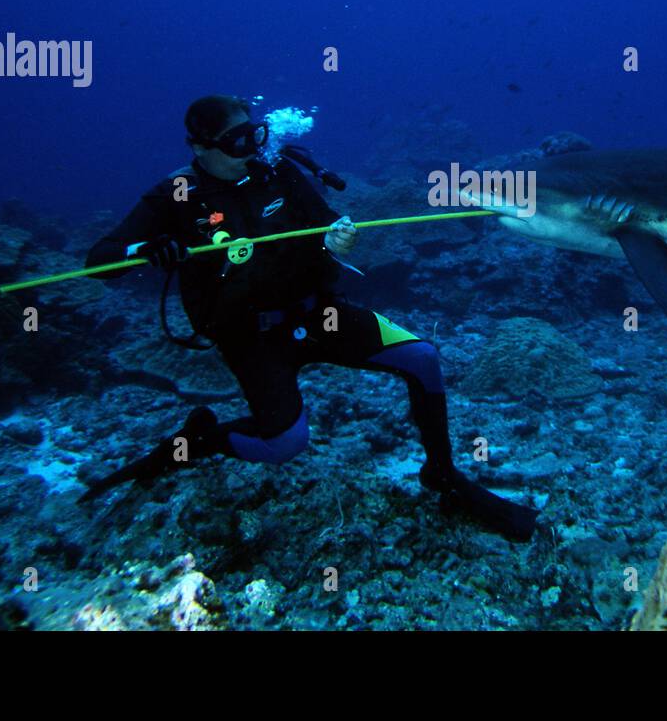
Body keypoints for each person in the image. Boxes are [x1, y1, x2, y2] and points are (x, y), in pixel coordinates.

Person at [78, 95, 538, 542]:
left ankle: (442, 474)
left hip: (319, 314)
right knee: (284, 444)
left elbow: (325, 224)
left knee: (422, 357)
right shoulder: (175, 195)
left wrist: (337, 238)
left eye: (255, 135)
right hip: (250, 336)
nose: (253, 150)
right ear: (200, 147)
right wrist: (144, 250)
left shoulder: (278, 170)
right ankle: (201, 440)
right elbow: (98, 261)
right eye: (237, 142)